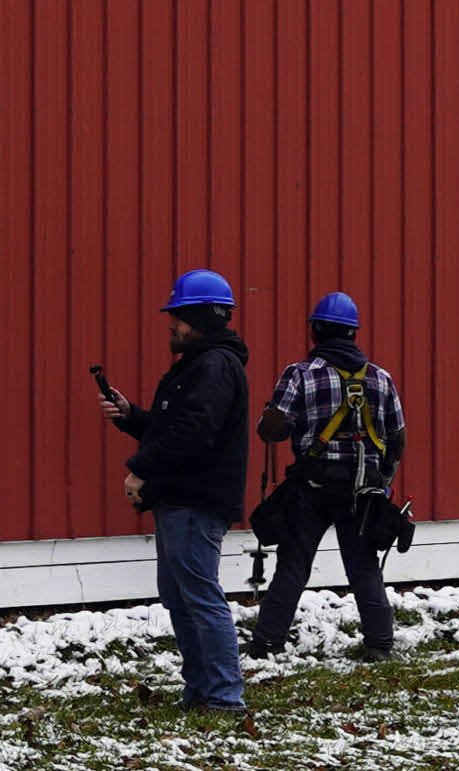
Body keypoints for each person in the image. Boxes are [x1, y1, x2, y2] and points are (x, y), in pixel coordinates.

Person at [101, 268, 257, 713]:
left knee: (200, 598)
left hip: (194, 501)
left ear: (205, 317)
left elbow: (194, 433)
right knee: (181, 598)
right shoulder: (200, 366)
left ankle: (225, 698)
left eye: (182, 315)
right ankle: (202, 692)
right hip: (181, 499)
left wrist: (138, 469)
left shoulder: (212, 366)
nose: (173, 323)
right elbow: (175, 428)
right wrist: (130, 415)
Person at [245, 291, 408, 660]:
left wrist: (273, 414)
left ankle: (268, 642)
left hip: (313, 487)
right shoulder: (382, 379)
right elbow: (397, 438)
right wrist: (381, 483)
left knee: (293, 564)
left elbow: (272, 431)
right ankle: (380, 645)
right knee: (364, 567)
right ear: (353, 333)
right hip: (363, 490)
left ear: (316, 330)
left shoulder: (301, 374)